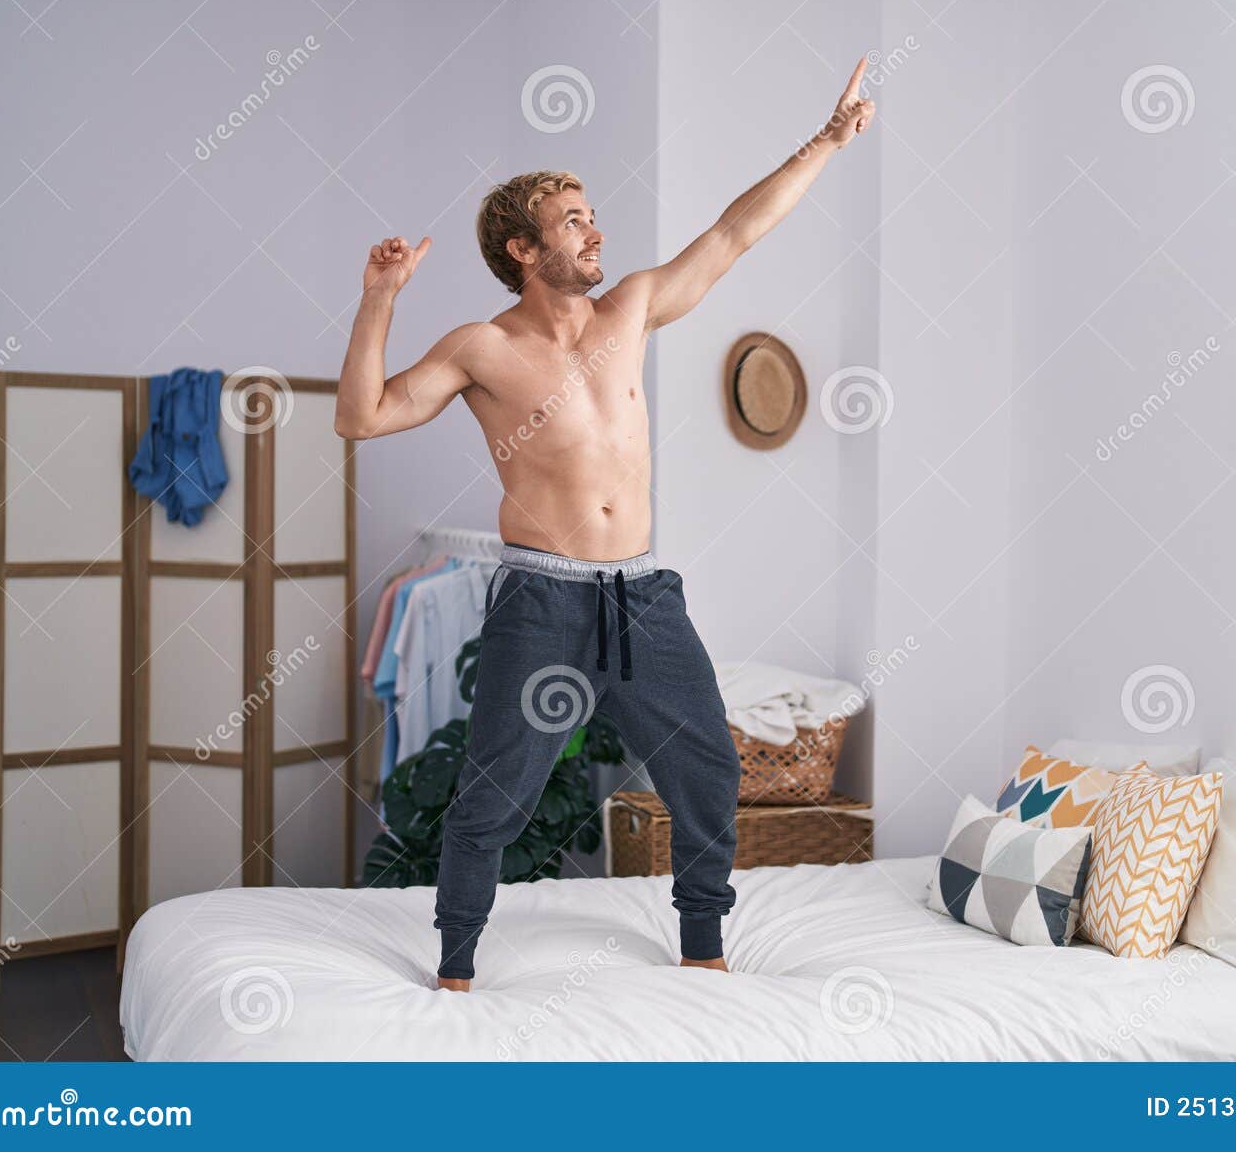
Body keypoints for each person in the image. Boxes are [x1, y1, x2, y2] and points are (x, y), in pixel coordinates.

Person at [335, 57, 877, 991]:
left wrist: (826, 140)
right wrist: (380, 298)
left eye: (591, 215)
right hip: (543, 602)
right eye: (574, 218)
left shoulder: (629, 307)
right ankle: (456, 966)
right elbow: (363, 417)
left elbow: (736, 232)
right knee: (496, 794)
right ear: (522, 248)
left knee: (706, 766)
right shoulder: (483, 347)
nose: (596, 229)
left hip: (644, 599)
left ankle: (704, 949)